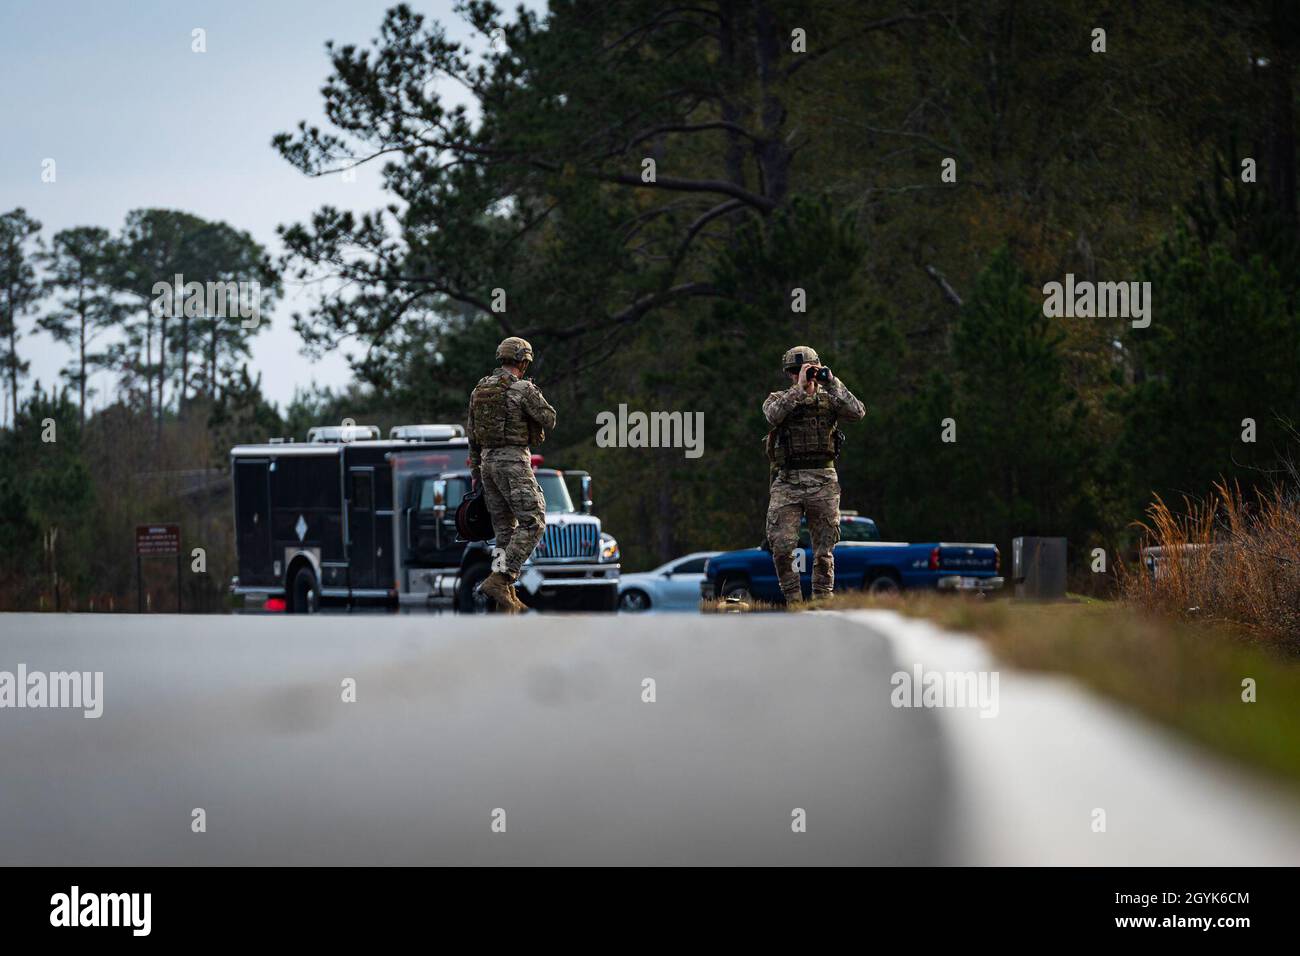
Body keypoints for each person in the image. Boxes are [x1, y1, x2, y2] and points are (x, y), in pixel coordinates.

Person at [762, 345, 865, 605]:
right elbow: (773, 416)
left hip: (823, 481)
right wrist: (798, 389)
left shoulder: (831, 398)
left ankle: (822, 601)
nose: (802, 375)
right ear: (789, 374)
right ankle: (794, 601)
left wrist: (832, 381)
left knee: (823, 551)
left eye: (806, 370)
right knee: (782, 546)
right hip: (788, 481)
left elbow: (857, 412)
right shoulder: (778, 398)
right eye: (795, 371)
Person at [466, 336, 557, 612]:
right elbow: (549, 418)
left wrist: (476, 472)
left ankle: (504, 603)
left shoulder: (479, 389)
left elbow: (472, 434)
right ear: (523, 361)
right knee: (534, 522)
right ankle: (500, 578)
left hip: (487, 464)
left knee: (504, 534)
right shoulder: (522, 388)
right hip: (512, 462)